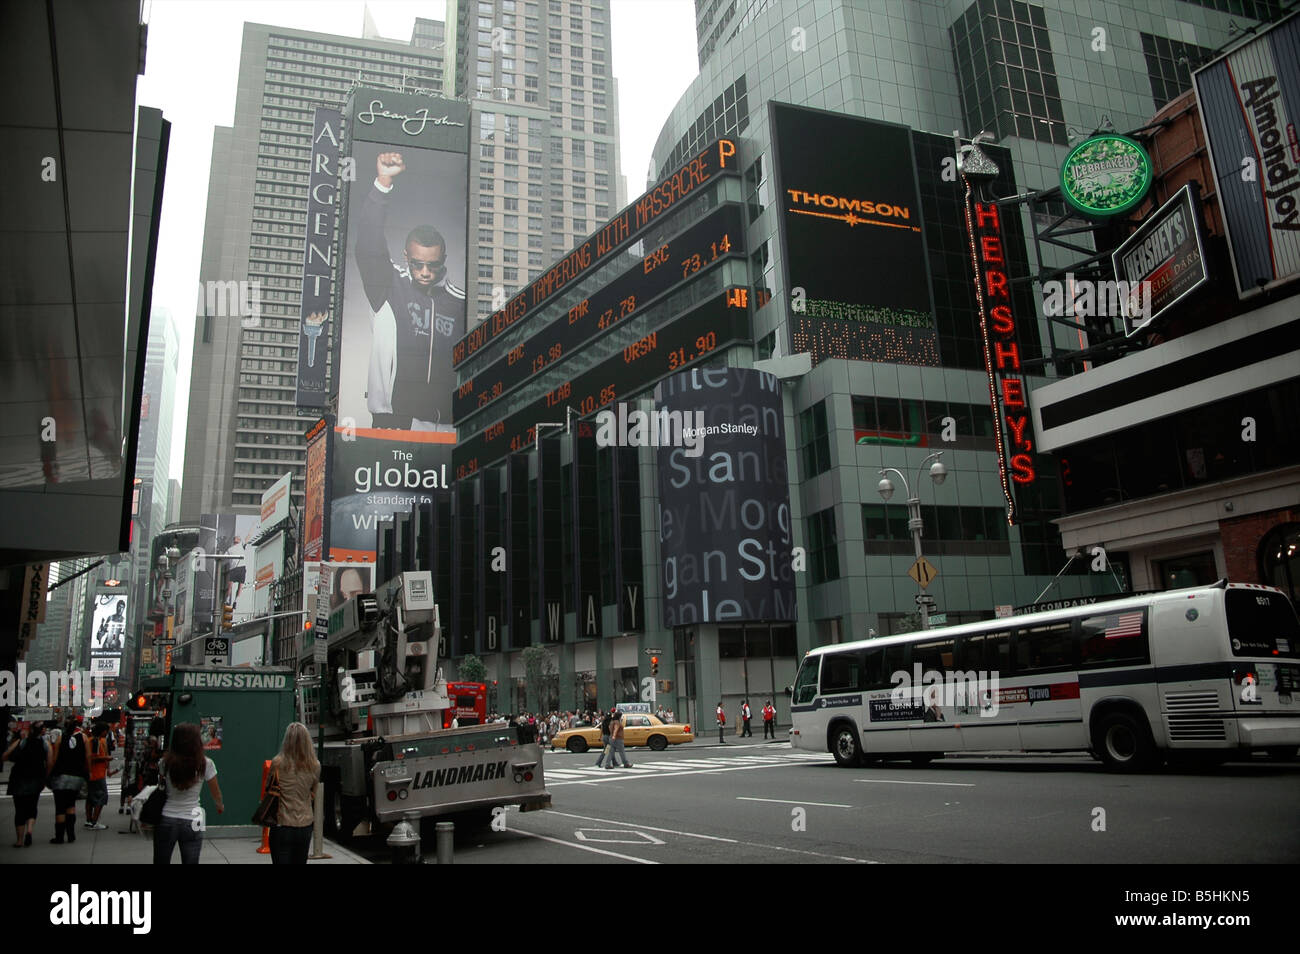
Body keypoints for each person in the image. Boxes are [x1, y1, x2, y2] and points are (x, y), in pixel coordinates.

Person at [357, 151, 465, 431]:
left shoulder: (460, 303)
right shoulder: (390, 285)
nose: (426, 272)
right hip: (394, 421)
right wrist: (383, 183)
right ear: (406, 256)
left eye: (433, 265)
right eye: (418, 264)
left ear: (443, 260)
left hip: (447, 426)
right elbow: (368, 243)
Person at [154, 724, 224, 865]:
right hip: (194, 816)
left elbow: (161, 785)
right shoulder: (205, 763)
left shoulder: (165, 763)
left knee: (161, 859)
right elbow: (215, 791)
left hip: (167, 816)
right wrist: (219, 805)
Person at [269, 722, 320, 865]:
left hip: (282, 823)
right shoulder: (315, 765)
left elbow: (269, 790)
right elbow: (313, 793)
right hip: (304, 825)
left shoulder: (277, 763)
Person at [5, 722, 54, 847]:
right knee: (32, 805)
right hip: (36, 778)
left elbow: (5, 755)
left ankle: (19, 840)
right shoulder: (45, 744)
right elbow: (49, 763)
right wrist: (45, 777)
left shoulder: (22, 742)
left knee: (19, 809)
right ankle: (30, 830)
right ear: (42, 731)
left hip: (18, 778)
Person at [47, 717, 90, 843]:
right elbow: (88, 757)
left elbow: (54, 759)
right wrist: (88, 772)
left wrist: (48, 774)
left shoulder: (61, 738)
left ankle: (59, 836)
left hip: (60, 776)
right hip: (76, 777)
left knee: (60, 807)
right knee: (71, 805)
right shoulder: (84, 738)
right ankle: (71, 835)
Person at [84, 723, 112, 830]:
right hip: (97, 773)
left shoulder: (91, 740)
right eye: (106, 731)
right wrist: (106, 758)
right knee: (102, 797)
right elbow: (93, 758)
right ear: (102, 731)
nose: (106, 733)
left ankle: (89, 820)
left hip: (92, 773)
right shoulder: (95, 741)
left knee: (91, 797)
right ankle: (94, 821)